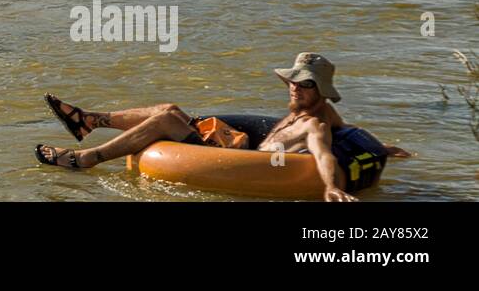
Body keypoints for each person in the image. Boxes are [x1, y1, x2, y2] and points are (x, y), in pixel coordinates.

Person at [34, 53, 409, 202]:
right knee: (170, 109)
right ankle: (88, 121)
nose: (294, 87)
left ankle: (86, 159)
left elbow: (326, 149)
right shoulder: (317, 113)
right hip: (238, 146)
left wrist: (330, 187)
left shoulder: (315, 124)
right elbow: (349, 129)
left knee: (165, 121)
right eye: (293, 81)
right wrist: (381, 148)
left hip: (240, 160)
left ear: (320, 92)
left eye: (304, 83)